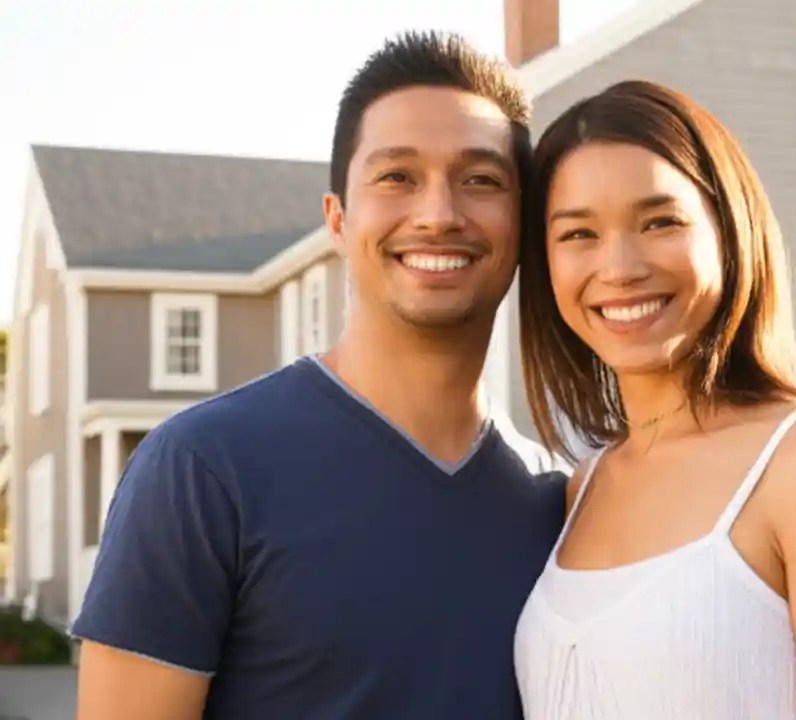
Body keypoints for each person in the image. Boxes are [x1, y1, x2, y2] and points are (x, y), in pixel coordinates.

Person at [72, 31, 566, 720]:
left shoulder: (560, 504)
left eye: (480, 180)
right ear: (338, 219)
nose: (438, 214)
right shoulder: (203, 471)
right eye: (397, 177)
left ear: (521, 224)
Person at [512, 80, 796, 719]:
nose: (619, 267)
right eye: (578, 234)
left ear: (729, 232)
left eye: (660, 222)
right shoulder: (581, 488)